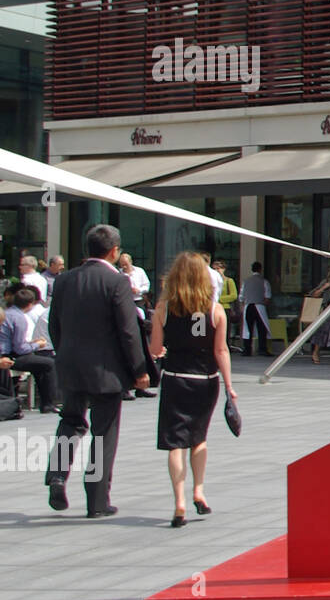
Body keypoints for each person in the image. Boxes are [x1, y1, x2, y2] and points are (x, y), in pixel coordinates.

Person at [43, 224, 151, 517]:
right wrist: (139, 369)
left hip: (70, 365)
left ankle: (57, 476)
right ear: (114, 251)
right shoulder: (116, 281)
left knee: (70, 422)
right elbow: (128, 331)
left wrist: (64, 352)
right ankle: (97, 500)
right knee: (104, 433)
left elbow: (54, 324)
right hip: (106, 370)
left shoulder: (64, 280)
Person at [149, 252, 236, 528]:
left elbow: (155, 349)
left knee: (175, 443)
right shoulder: (215, 310)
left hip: (175, 379)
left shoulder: (164, 308)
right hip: (205, 380)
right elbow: (221, 351)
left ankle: (179, 502)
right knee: (199, 438)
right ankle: (199, 490)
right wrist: (229, 386)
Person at [0, 285, 61, 412]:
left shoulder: (8, 313)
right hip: (10, 356)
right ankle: (48, 402)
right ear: (30, 304)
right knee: (49, 363)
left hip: (9, 352)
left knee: (39, 363)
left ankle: (47, 403)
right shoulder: (20, 318)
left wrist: (31, 343)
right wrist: (38, 345)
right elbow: (20, 349)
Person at [239, 262, 273, 357]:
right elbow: (267, 296)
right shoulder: (264, 281)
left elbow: (241, 296)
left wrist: (243, 305)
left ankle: (247, 349)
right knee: (262, 328)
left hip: (248, 305)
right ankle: (262, 349)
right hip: (259, 306)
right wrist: (264, 303)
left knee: (247, 328)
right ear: (260, 269)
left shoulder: (246, 281)